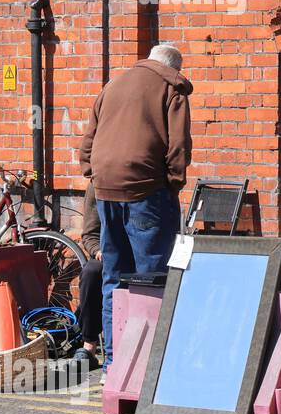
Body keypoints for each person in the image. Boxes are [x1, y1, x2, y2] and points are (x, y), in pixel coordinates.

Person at [79, 44, 193, 349]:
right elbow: (179, 146)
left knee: (113, 280)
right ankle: (147, 364)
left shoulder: (112, 85)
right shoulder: (172, 87)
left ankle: (114, 364)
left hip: (105, 190)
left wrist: (94, 174)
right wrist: (172, 183)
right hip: (146, 190)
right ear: (174, 68)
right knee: (151, 279)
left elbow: (88, 142)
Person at [76, 183, 103, 363]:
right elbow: (90, 234)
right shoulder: (97, 184)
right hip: (107, 254)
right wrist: (98, 251)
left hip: (138, 253)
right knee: (91, 273)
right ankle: (89, 345)